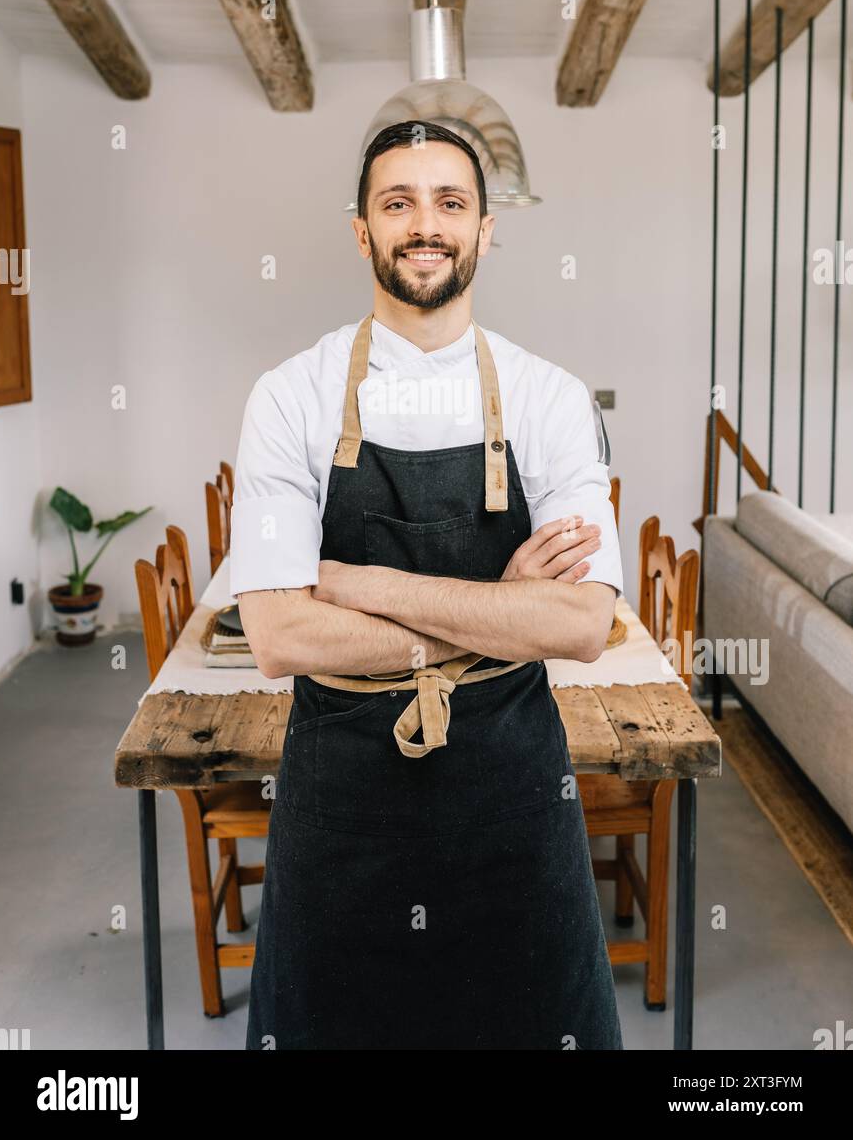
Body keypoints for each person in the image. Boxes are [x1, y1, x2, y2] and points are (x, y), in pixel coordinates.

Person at [231, 119, 624, 1050]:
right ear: (361, 230)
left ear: (488, 228)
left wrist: (355, 583)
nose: (425, 224)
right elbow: (280, 638)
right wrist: (502, 611)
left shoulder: (551, 398)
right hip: (341, 803)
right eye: (396, 202)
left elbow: (579, 624)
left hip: (514, 796)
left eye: (451, 202)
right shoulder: (290, 395)